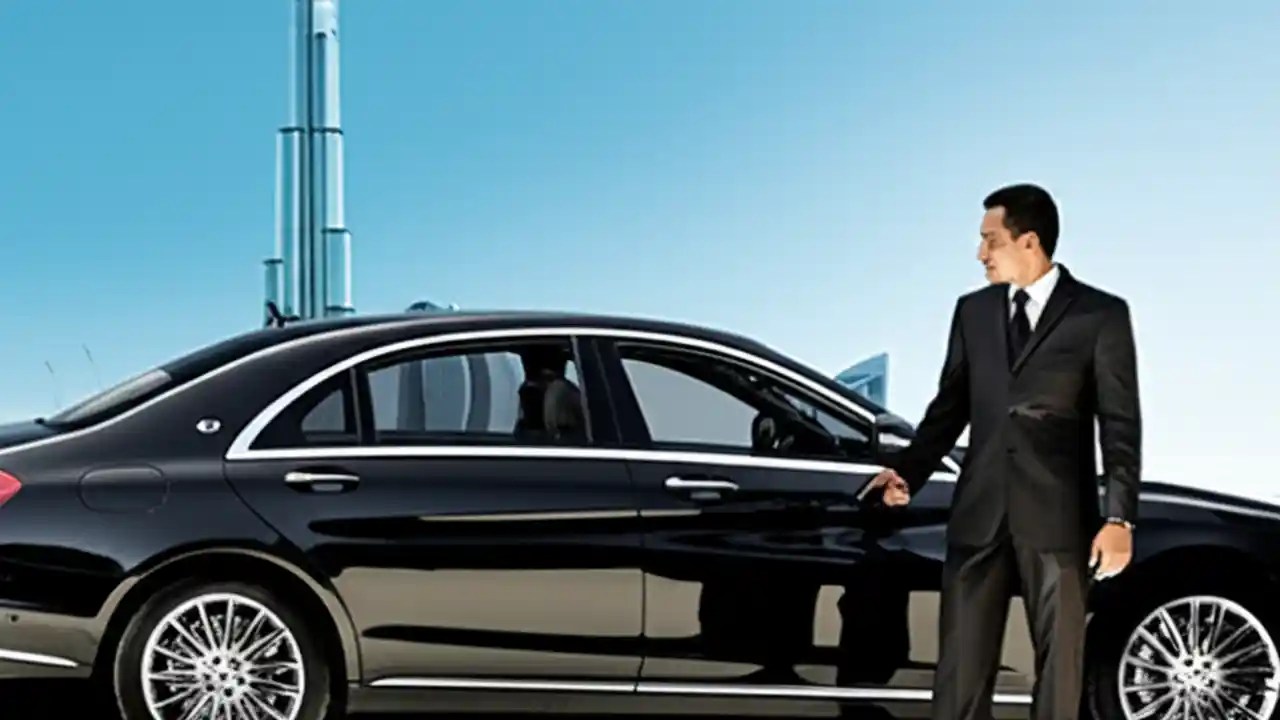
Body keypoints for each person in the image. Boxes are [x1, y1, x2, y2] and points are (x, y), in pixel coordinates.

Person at [866, 183, 1141, 720]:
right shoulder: (972, 312)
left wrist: (1120, 518)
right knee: (960, 672)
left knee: (1060, 671)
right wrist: (909, 473)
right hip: (979, 515)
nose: (980, 253)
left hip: (1059, 519)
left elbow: (1120, 422)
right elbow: (950, 406)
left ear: (1029, 241)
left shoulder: (1100, 315)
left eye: (990, 240)